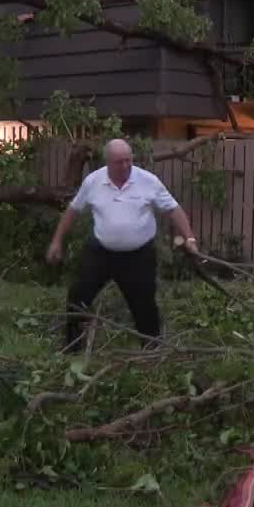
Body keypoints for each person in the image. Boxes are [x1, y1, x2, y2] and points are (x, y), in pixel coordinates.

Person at [46, 138, 197, 352]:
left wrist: (189, 238)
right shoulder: (93, 182)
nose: (126, 166)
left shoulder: (148, 181)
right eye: (119, 162)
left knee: (144, 307)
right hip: (101, 253)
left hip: (139, 256)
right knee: (77, 297)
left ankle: (151, 352)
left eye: (128, 160)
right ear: (108, 162)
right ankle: (71, 350)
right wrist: (56, 241)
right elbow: (73, 210)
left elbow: (174, 209)